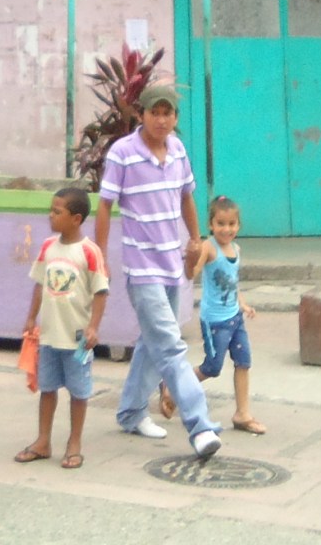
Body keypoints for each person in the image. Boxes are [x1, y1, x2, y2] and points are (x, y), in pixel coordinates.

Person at [94, 81, 221, 459]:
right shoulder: (123, 153)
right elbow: (104, 206)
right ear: (141, 115)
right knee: (169, 345)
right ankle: (200, 426)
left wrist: (195, 240)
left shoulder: (178, 150)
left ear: (175, 118)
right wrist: (99, 256)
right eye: (155, 113)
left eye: (168, 114)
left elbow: (186, 196)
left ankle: (131, 412)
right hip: (142, 266)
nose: (162, 120)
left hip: (171, 265)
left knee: (152, 343)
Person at [14, 185, 109, 470]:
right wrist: (32, 318)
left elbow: (101, 291)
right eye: (51, 210)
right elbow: (40, 284)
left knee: (79, 392)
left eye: (57, 212)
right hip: (50, 335)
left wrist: (93, 327)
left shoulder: (89, 252)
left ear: (76, 218)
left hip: (78, 338)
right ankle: (43, 441)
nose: (51, 216)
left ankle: (74, 443)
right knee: (48, 388)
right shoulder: (47, 247)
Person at [191, 195, 264, 435]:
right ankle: (173, 385)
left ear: (238, 226)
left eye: (232, 224)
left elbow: (233, 283)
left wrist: (242, 304)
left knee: (244, 362)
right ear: (211, 225)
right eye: (221, 224)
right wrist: (191, 257)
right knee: (212, 367)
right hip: (215, 321)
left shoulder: (236, 249)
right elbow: (193, 271)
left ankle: (242, 413)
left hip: (235, 318)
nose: (227, 229)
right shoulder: (208, 247)